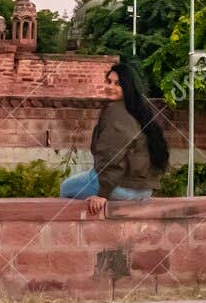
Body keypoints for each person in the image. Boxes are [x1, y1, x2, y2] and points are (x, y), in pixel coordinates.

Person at [60, 60, 170, 216]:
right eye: (109, 82)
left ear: (127, 87)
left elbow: (111, 156)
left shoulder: (116, 113)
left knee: (66, 188)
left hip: (123, 188)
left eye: (118, 84)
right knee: (86, 179)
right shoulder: (140, 111)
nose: (111, 87)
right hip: (144, 191)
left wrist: (102, 194)